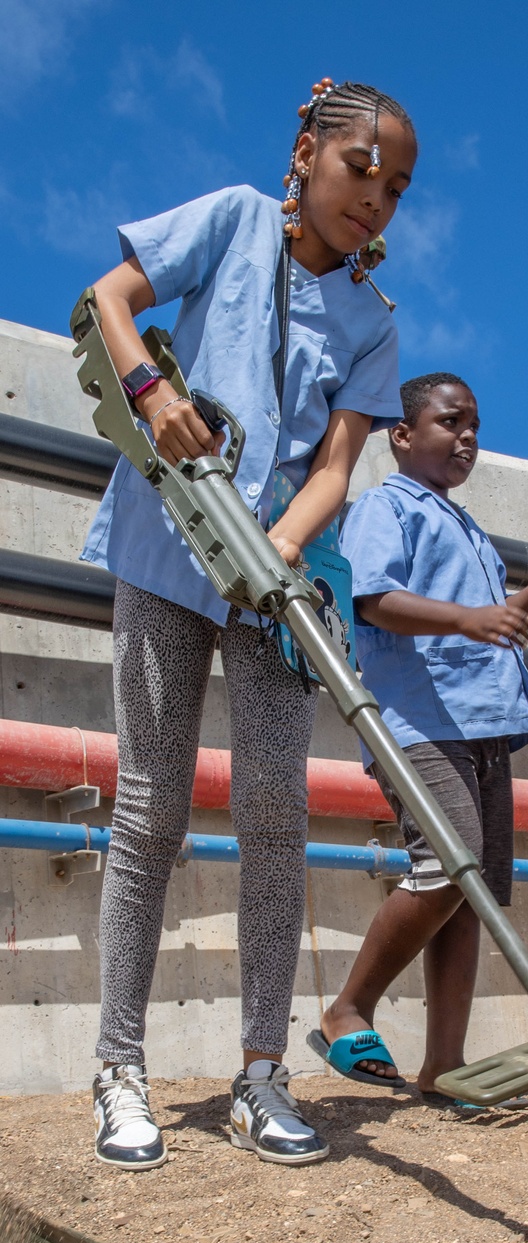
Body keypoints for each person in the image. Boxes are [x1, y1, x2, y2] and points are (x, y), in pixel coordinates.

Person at [84, 76, 418, 1170]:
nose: (375, 198)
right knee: (150, 809)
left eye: (397, 187)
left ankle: (262, 1073)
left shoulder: (373, 322)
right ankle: (118, 1069)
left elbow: (336, 464)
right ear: (307, 155)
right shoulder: (231, 218)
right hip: (160, 545)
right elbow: (110, 299)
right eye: (360, 169)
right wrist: (150, 391)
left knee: (278, 821)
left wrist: (275, 555)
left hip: (273, 584)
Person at [306, 373, 528, 1103]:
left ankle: (445, 1064)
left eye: (475, 425)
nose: (467, 436)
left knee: (468, 895)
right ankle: (349, 1007)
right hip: (416, 720)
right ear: (402, 436)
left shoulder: (464, 525)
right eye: (450, 422)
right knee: (449, 864)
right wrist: (469, 620)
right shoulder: (386, 506)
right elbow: (373, 600)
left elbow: (495, 618)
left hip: (482, 724)